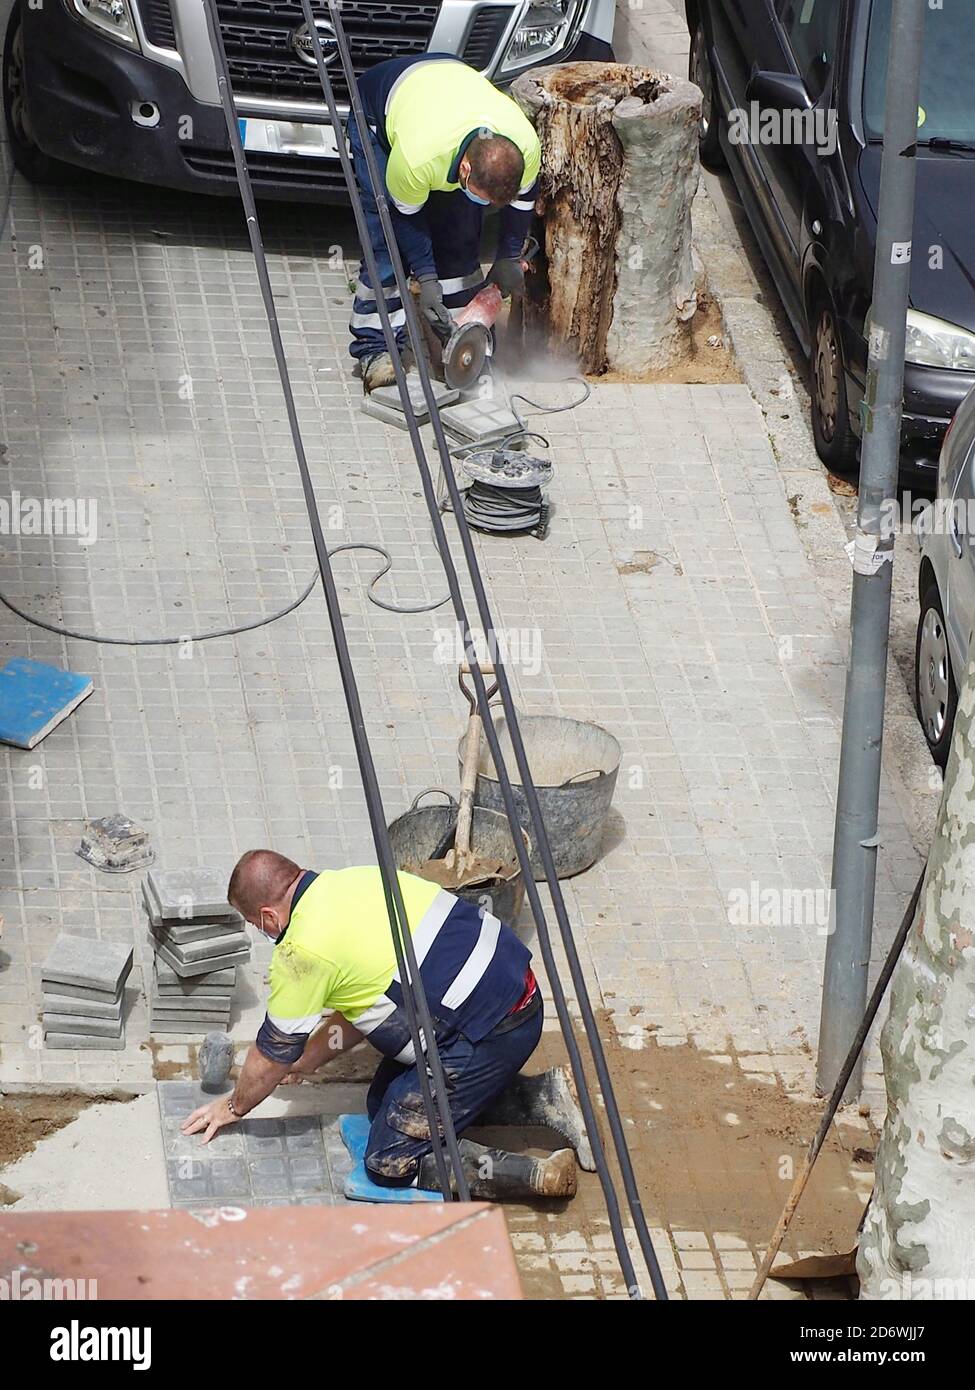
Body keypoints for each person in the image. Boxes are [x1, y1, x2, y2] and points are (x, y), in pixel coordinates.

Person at [182, 850, 582, 1199]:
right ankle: (542, 1096)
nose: (261, 931)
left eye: (255, 923)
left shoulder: (300, 952)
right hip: (513, 993)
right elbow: (367, 1006)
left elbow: (270, 1055)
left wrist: (234, 1106)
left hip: (491, 1029)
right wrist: (305, 1062)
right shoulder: (353, 881)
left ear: (268, 916)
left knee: (389, 1157)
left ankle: (535, 1175)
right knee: (383, 1103)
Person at [346, 54, 541, 392]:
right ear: (464, 170)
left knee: (460, 239)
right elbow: (406, 219)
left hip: (450, 86)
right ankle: (375, 347)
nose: (483, 203)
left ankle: (463, 338)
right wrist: (426, 277)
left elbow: (523, 202)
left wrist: (509, 255)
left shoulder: (525, 147)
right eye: (481, 195)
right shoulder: (418, 157)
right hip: (379, 109)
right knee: (386, 245)